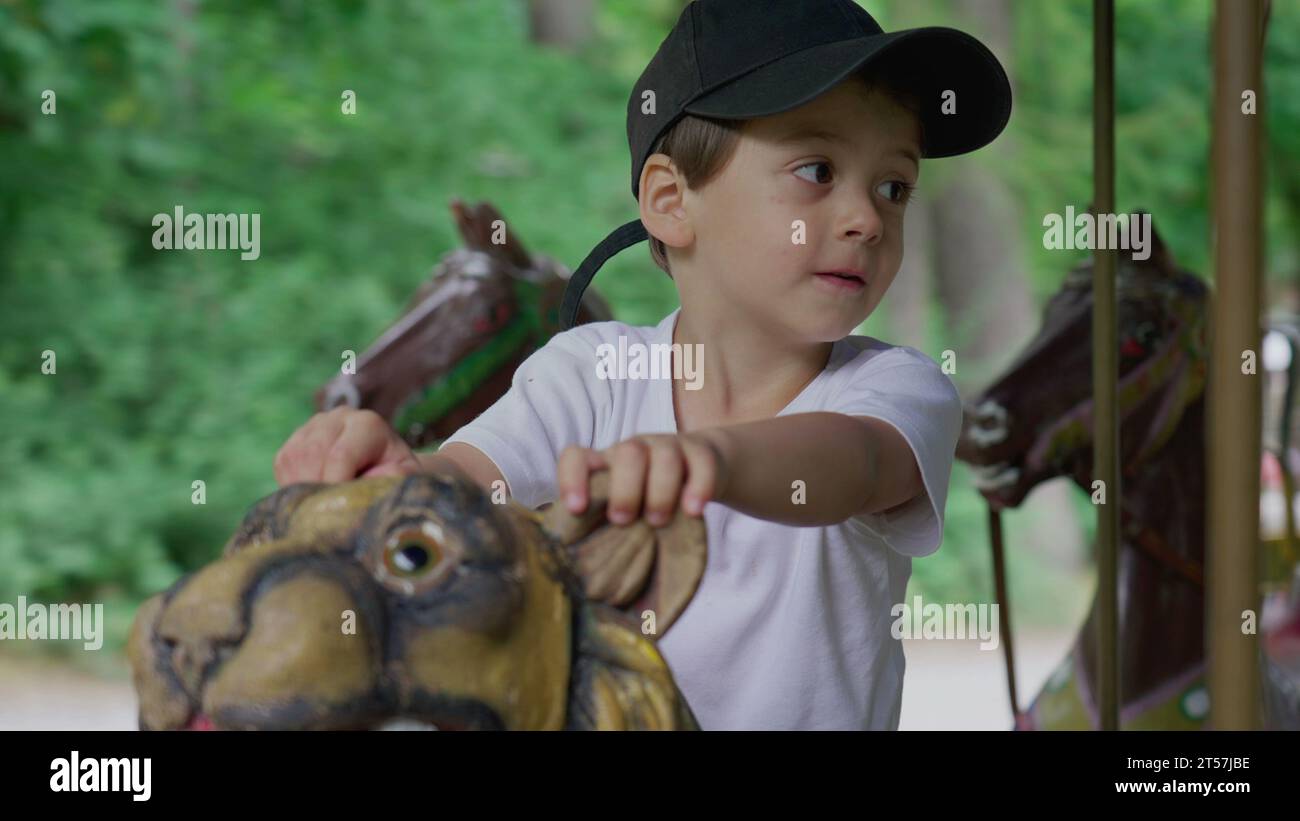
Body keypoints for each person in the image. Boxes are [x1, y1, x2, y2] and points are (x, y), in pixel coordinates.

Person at [274, 0, 1012, 729]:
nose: (868, 218)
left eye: (894, 187)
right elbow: (466, 486)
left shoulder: (896, 390)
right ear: (669, 200)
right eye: (817, 169)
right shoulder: (591, 374)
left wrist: (710, 459)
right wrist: (391, 477)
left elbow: (851, 461)